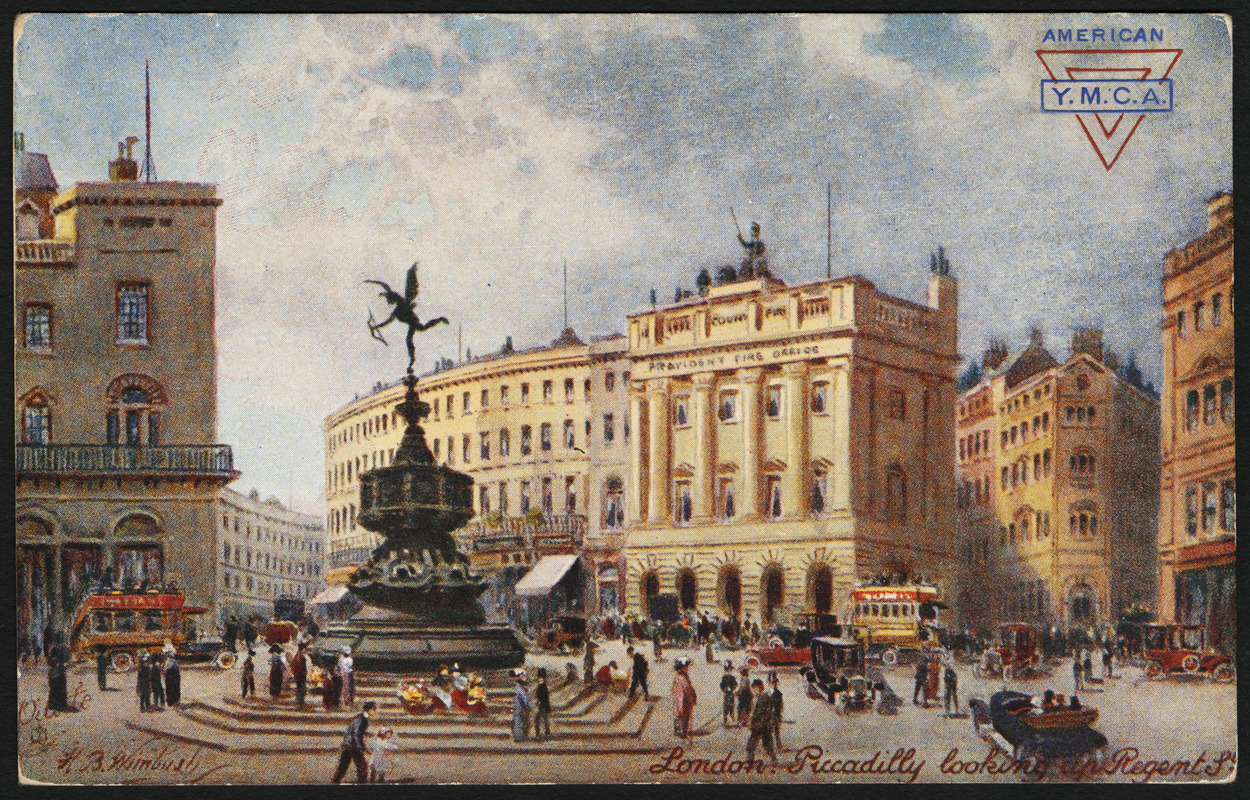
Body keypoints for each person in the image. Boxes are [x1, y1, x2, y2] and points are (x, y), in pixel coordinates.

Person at [331, 700, 375, 783]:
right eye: (373, 710)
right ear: (369, 710)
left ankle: (336, 780)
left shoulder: (360, 717)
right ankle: (361, 781)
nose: (374, 712)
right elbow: (357, 734)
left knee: (343, 765)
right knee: (361, 765)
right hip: (352, 745)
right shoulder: (362, 719)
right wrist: (360, 747)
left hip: (348, 744)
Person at [746, 679, 777, 765]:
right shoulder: (757, 698)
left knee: (753, 744)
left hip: (760, 725)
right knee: (766, 744)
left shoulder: (763, 698)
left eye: (756, 689)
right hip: (763, 726)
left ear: (760, 689)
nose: (754, 691)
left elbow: (759, 712)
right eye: (753, 689)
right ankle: (773, 758)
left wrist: (752, 721)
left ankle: (750, 761)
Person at [46, 633, 74, 712]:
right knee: (61, 688)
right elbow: (66, 657)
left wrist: (54, 662)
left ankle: (53, 704)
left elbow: (49, 659)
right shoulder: (64, 647)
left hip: (54, 671)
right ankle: (60, 705)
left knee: (55, 688)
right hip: (60, 671)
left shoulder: (53, 647)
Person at [672, 657, 697, 739]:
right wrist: (691, 698)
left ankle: (679, 730)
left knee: (679, 714)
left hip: (679, 698)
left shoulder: (680, 676)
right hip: (683, 699)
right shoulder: (682, 678)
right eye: (685, 667)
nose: (687, 669)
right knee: (684, 715)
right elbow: (687, 689)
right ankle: (682, 731)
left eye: (687, 667)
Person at [511, 669, 532, 742]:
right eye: (523, 676)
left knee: (522, 721)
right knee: (518, 722)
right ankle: (519, 737)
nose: (525, 678)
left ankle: (521, 736)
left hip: (521, 707)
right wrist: (528, 707)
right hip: (520, 707)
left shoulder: (523, 687)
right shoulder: (519, 688)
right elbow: (524, 698)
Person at [534, 668, 551, 741]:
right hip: (541, 705)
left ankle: (545, 734)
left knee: (543, 720)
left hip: (543, 705)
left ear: (544, 678)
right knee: (540, 720)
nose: (540, 679)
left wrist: (541, 702)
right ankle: (541, 734)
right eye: (539, 678)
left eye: (541, 678)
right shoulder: (542, 686)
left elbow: (546, 697)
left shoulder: (543, 686)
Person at [768, 672, 784, 751]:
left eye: (775, 683)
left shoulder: (778, 693)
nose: (774, 684)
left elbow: (781, 705)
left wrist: (780, 714)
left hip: (776, 714)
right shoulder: (767, 693)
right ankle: (770, 746)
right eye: (772, 682)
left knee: (776, 730)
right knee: (769, 731)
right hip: (769, 714)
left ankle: (779, 745)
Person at [720, 661, 738, 726]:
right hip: (729, 694)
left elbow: (722, 685)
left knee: (727, 707)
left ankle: (727, 720)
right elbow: (735, 684)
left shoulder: (725, 677)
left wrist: (724, 690)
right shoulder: (730, 677)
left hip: (728, 693)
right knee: (729, 707)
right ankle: (730, 719)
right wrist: (732, 689)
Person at [292, 641, 309, 708]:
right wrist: (300, 675)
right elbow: (299, 667)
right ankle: (300, 703)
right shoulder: (300, 656)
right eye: (305, 648)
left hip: (299, 675)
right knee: (302, 689)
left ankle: (300, 702)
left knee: (301, 689)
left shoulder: (298, 655)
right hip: (300, 676)